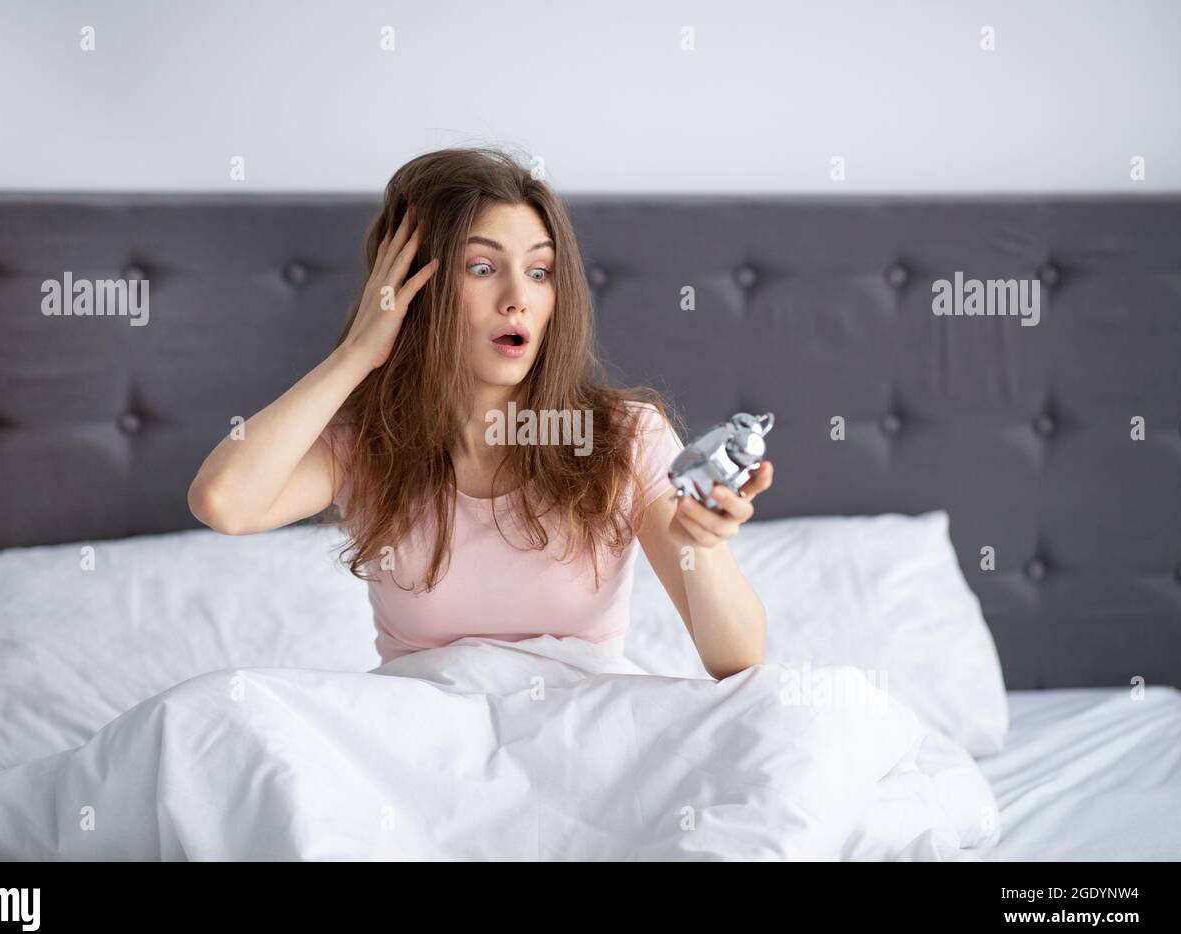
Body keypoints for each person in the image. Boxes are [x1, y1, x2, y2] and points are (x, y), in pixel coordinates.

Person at [188, 147, 772, 679]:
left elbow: (738, 663)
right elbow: (224, 503)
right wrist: (357, 352)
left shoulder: (626, 438)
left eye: (540, 272)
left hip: (579, 735)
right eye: (482, 267)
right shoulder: (366, 444)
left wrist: (704, 542)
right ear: (410, 289)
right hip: (421, 744)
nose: (518, 295)